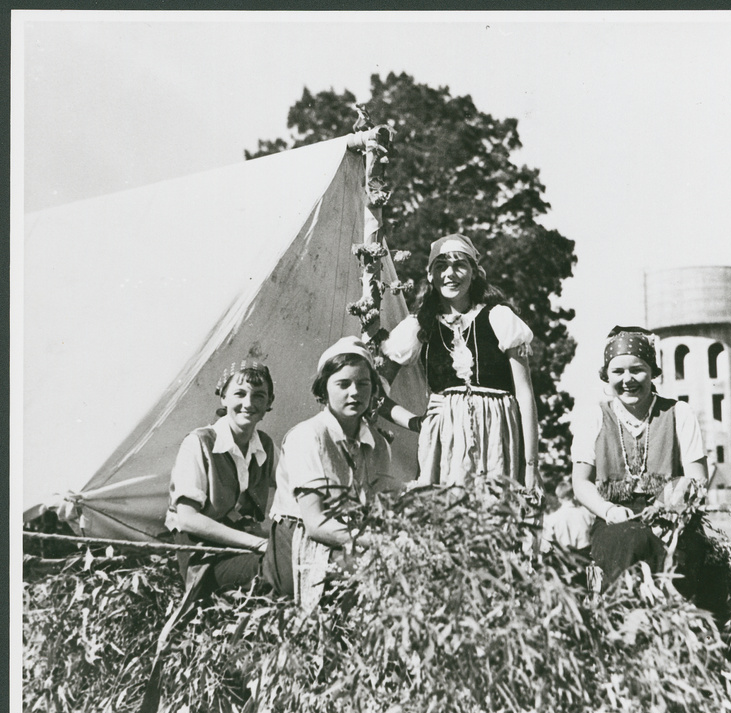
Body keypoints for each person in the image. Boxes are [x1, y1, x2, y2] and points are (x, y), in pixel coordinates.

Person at [380, 233, 539, 489]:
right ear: (430, 275)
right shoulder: (419, 326)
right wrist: (415, 421)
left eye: (459, 265)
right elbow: (375, 389)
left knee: (495, 515)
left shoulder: (500, 318)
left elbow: (525, 392)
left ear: (474, 273)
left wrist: (531, 465)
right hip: (444, 439)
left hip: (498, 435)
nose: (450, 274)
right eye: (441, 266)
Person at [571, 326, 709, 591]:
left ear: (653, 372)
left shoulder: (679, 413)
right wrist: (609, 511)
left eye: (637, 370)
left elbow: (697, 479)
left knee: (685, 556)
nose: (628, 379)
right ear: (606, 376)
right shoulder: (594, 417)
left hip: (673, 518)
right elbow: (581, 483)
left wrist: (668, 513)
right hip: (614, 519)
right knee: (627, 543)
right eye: (618, 372)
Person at [271, 336, 397, 608]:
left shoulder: (376, 443)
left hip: (347, 538)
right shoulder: (308, 436)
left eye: (363, 384)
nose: (355, 393)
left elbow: (378, 507)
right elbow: (315, 523)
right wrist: (374, 543)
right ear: (324, 390)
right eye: (343, 384)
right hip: (300, 543)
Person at [166, 360, 289, 594]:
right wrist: (261, 544)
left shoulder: (265, 447)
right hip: (205, 556)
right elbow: (187, 519)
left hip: (244, 547)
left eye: (259, 396)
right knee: (278, 569)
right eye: (239, 394)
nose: (248, 404)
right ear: (223, 397)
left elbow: (295, 489)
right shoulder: (199, 443)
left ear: (269, 403)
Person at [539, 478, 595, 555]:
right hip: (585, 556)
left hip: (564, 558)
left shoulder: (552, 518)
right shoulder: (587, 514)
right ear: (573, 495)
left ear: (559, 498)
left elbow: (547, 542)